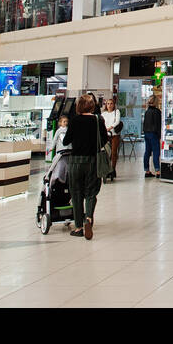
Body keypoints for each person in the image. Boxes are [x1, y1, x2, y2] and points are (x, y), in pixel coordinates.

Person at [61, 93, 107, 239]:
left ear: (78, 106)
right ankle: (89, 218)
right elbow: (104, 139)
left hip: (76, 161)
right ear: (92, 106)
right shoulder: (98, 120)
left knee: (76, 193)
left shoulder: (75, 121)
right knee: (91, 193)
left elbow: (66, 140)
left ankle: (79, 226)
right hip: (93, 161)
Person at [100, 96, 121, 182]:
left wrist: (110, 127)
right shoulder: (103, 114)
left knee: (113, 152)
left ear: (114, 104)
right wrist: (105, 129)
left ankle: (113, 169)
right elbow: (101, 123)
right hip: (106, 135)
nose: (109, 105)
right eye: (108, 104)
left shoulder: (117, 112)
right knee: (106, 153)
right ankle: (107, 169)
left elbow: (117, 121)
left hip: (114, 135)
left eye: (111, 104)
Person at [142, 94, 162, 178]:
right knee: (156, 152)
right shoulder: (157, 112)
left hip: (147, 133)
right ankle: (157, 170)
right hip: (154, 134)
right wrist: (160, 136)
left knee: (147, 152)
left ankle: (147, 170)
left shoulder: (147, 112)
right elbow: (158, 125)